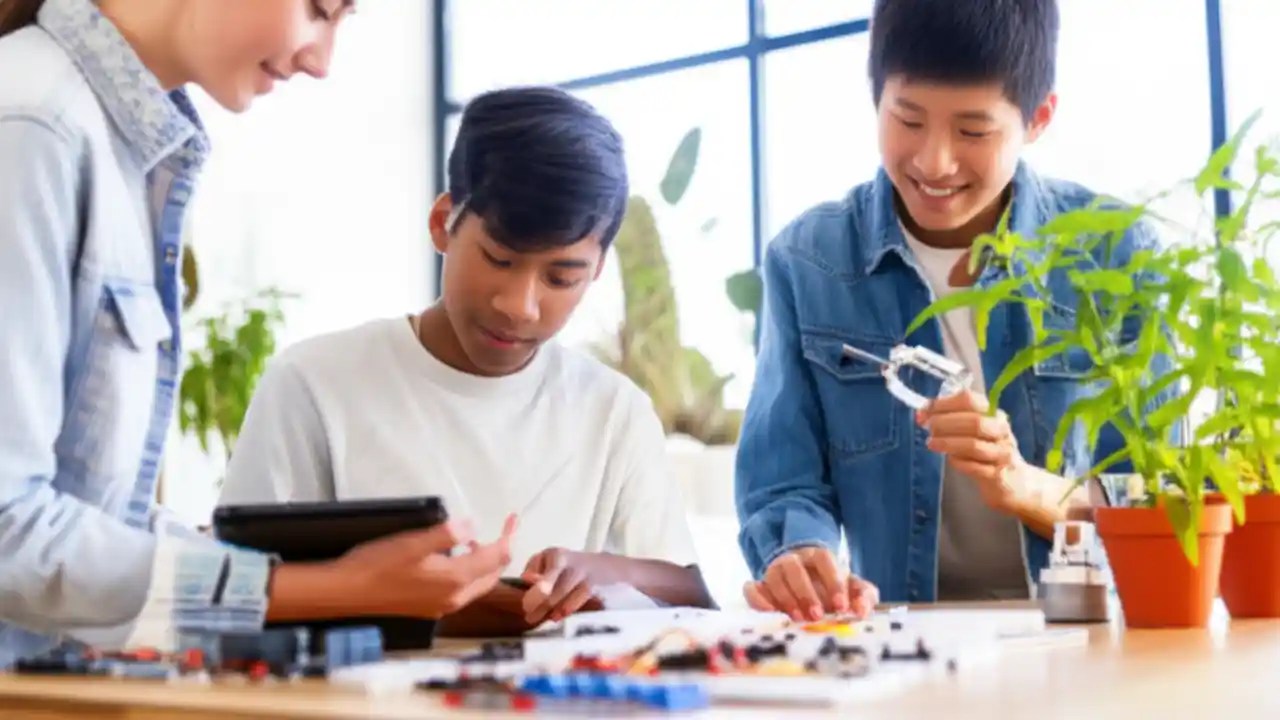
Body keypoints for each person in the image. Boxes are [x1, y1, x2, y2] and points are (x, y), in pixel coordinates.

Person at [0, 0, 514, 670]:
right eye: (321, 10)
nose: (321, 60)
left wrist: (331, 578)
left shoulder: (110, 143)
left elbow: (97, 515)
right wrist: (325, 589)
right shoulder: (34, 123)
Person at [218, 86, 717, 636]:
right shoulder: (313, 384)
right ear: (443, 224)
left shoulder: (615, 410)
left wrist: (600, 572)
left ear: (596, 271)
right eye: (498, 259)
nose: (520, 307)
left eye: (561, 278)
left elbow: (693, 594)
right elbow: (228, 590)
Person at [736, 0, 1170, 619]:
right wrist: (799, 555)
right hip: (899, 648)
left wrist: (1025, 486)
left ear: (1038, 118)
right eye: (907, 120)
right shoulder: (808, 262)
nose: (934, 162)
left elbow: (1164, 501)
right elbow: (783, 481)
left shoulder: (1118, 257)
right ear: (875, 97)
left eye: (972, 131)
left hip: (1084, 636)